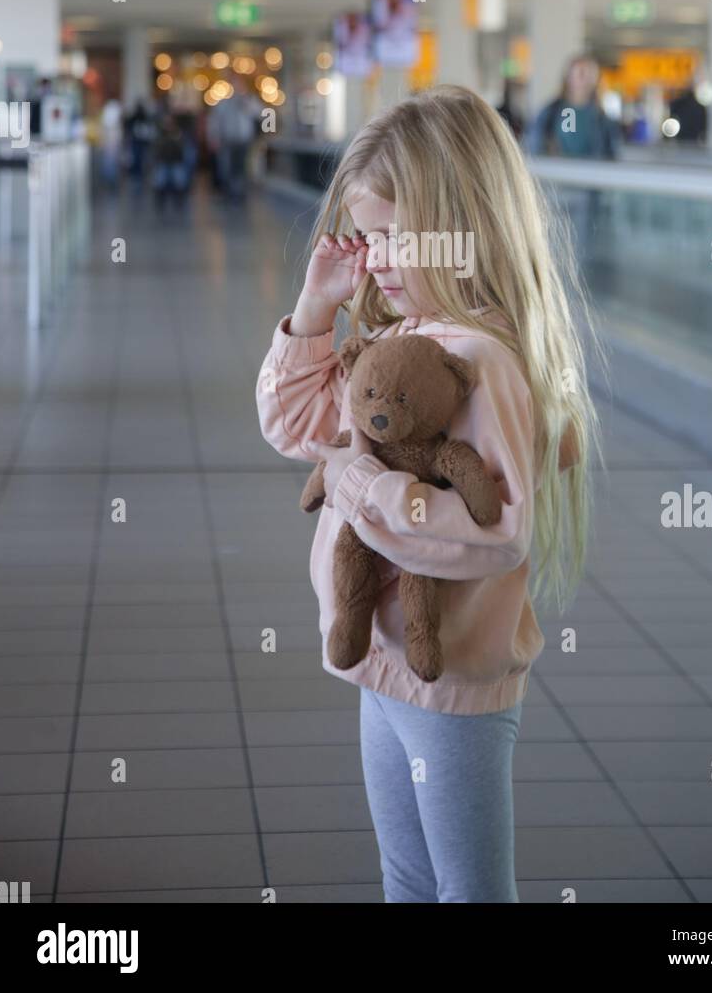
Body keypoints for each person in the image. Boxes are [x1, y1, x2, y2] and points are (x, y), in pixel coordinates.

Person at [256, 85, 600, 903]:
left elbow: (492, 532)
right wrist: (314, 309)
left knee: (469, 891)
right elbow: (299, 425)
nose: (372, 259)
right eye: (367, 237)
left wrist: (360, 481)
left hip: (452, 690)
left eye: (392, 237)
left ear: (464, 227)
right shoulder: (406, 337)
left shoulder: (484, 362)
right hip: (386, 668)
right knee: (408, 880)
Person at [526, 53, 619, 160]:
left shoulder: (603, 120)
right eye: (580, 73)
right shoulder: (549, 113)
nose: (584, 79)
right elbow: (534, 147)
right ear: (568, 77)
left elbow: (611, 157)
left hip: (591, 175)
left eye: (589, 74)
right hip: (554, 173)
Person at [151, 112, 189, 211]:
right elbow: (157, 147)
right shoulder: (160, 134)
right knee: (160, 181)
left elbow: (181, 147)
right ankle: (160, 202)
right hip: (163, 160)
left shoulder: (177, 133)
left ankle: (179, 201)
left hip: (176, 160)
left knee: (179, 181)